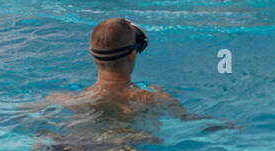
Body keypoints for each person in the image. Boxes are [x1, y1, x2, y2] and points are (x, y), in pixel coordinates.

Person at [39, 17, 182, 112]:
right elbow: (191, 123)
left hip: (68, 148)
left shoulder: (64, 99)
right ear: (132, 55)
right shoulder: (152, 97)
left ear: (91, 53)